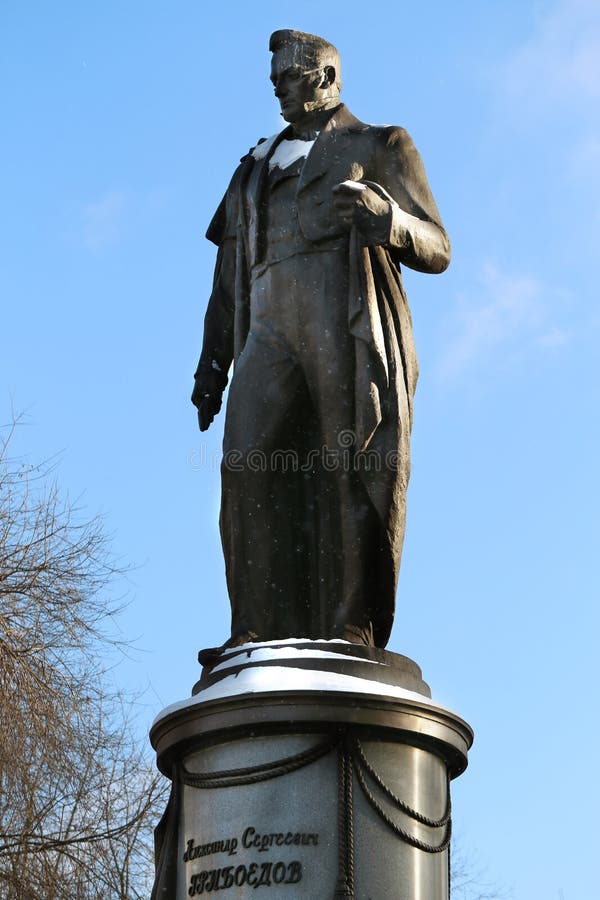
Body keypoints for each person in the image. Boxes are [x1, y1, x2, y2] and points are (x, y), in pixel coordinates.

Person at [192, 29, 450, 652]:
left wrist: (387, 219)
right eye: (275, 79)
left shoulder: (380, 144)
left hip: (344, 320)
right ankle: (251, 629)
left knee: (350, 463)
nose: (278, 88)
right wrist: (211, 367)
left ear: (328, 79)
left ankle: (352, 623)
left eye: (290, 77)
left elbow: (438, 246)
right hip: (268, 323)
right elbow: (228, 277)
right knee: (245, 469)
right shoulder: (254, 166)